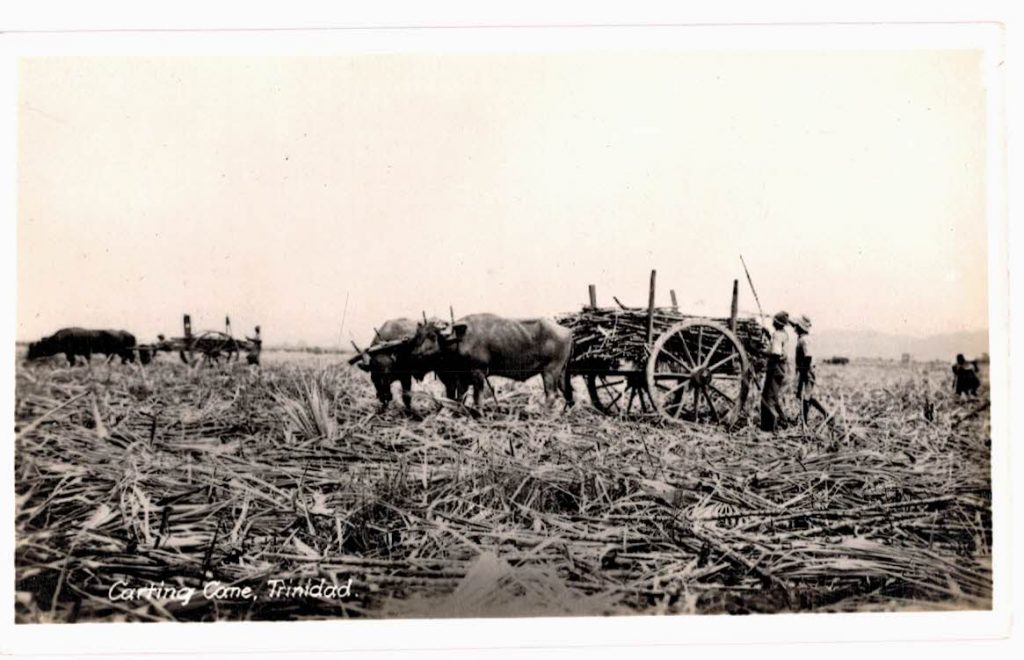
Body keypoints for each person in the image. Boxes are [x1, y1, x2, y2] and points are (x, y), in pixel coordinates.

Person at [791, 314, 829, 425]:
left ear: (800, 327)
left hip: (807, 370)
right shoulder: (803, 338)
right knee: (806, 395)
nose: (794, 328)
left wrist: (803, 371)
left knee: (805, 397)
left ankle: (806, 421)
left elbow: (808, 356)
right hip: (805, 369)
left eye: (796, 326)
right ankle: (807, 418)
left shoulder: (804, 340)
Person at [760, 310, 791, 432]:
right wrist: (768, 335)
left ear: (777, 323)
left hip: (775, 368)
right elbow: (777, 347)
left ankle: (772, 427)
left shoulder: (777, 335)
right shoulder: (783, 334)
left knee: (768, 398)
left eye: (774, 321)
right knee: (773, 396)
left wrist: (761, 352)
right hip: (780, 368)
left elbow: (776, 354)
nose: (772, 322)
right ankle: (783, 422)